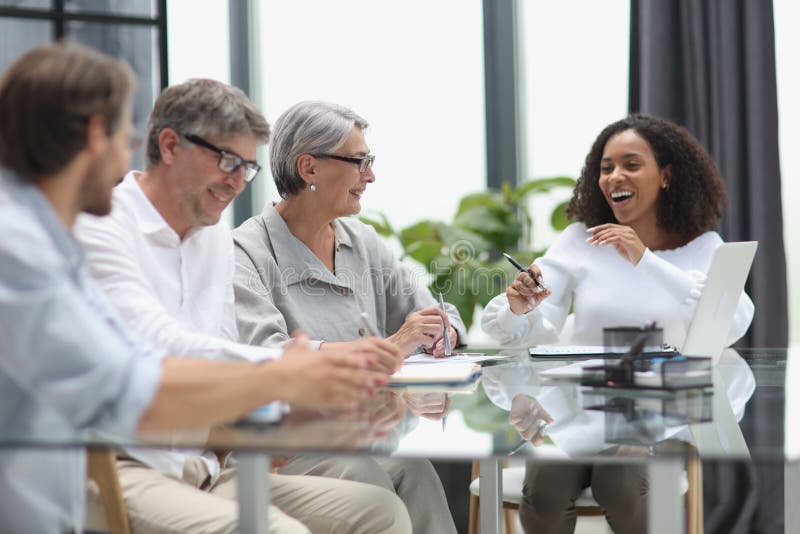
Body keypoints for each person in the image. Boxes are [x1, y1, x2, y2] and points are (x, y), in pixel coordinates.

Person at [0, 42, 410, 534]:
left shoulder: (204, 237)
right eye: (124, 135)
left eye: (247, 168)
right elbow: (142, 366)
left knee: (379, 511)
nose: (129, 149)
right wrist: (291, 372)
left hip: (204, 464)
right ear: (96, 136)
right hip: (115, 468)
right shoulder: (38, 243)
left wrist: (290, 415)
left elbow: (193, 358)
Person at [481, 113, 754, 534]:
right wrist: (519, 307)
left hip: (661, 418)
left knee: (621, 483)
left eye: (631, 164)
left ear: (666, 176)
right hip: (579, 412)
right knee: (546, 491)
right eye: (606, 168)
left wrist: (645, 258)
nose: (614, 177)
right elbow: (540, 319)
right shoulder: (580, 239)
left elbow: (733, 322)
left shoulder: (704, 248)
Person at [233, 100, 464, 534]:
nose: (370, 176)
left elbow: (434, 313)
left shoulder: (362, 241)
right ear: (309, 168)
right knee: (369, 481)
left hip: (368, 432)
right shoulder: (245, 252)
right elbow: (267, 355)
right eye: (359, 162)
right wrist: (390, 347)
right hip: (291, 445)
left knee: (418, 473)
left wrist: (441, 331)